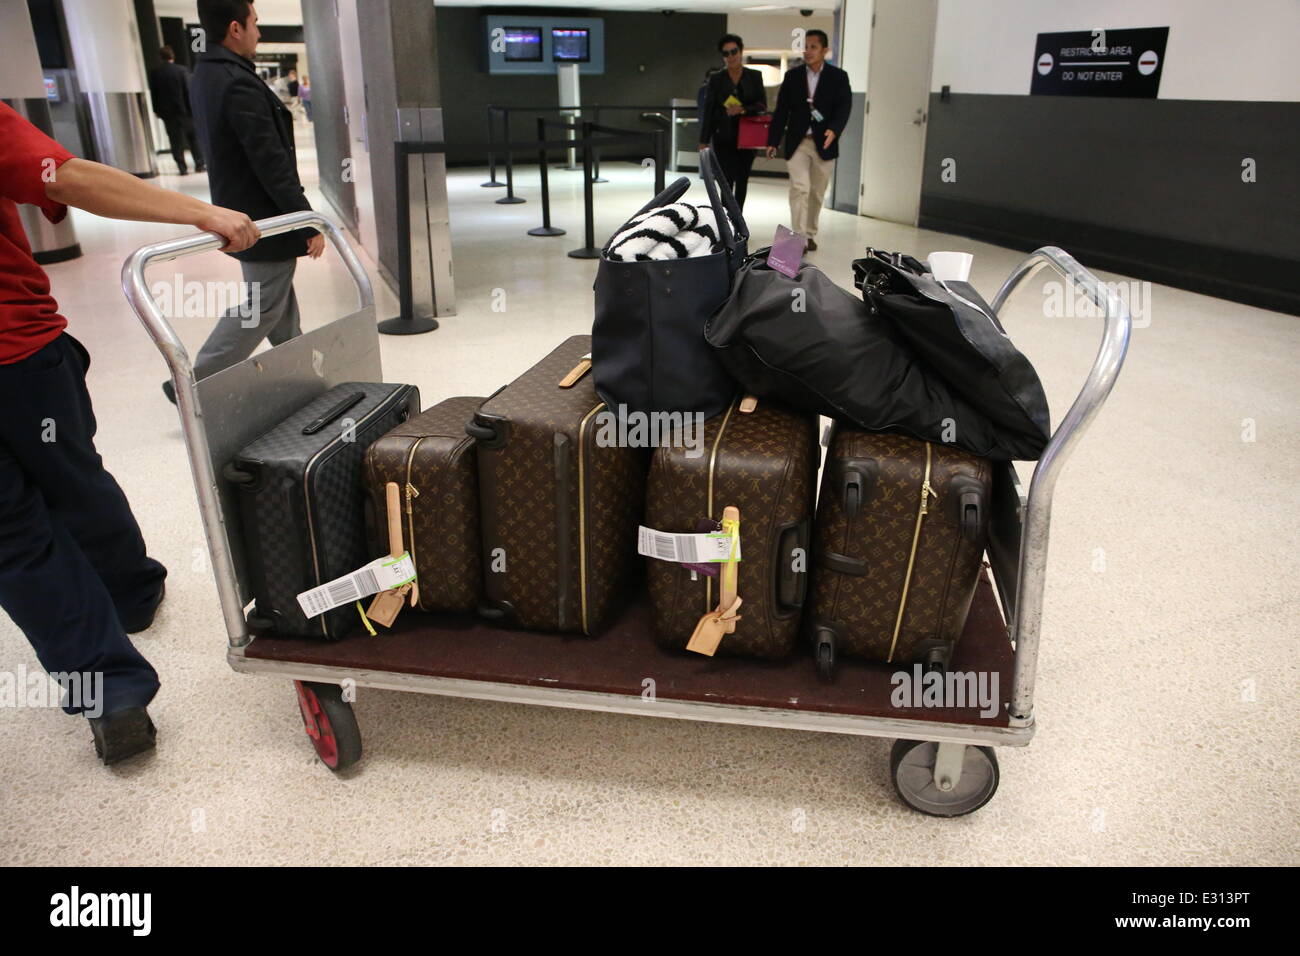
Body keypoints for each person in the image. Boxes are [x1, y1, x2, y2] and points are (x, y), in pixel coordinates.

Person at [0, 101, 259, 764]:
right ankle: (132, 593)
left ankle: (109, 694)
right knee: (73, 480)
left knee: (15, 546)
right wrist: (201, 211)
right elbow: (62, 176)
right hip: (18, 356)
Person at [172, 0, 324, 404]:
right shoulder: (235, 81)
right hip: (262, 218)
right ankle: (193, 382)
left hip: (241, 209)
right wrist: (307, 221)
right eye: (256, 23)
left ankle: (302, 374)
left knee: (278, 306)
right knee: (261, 307)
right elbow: (269, 161)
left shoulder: (206, 75)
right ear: (236, 28)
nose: (259, 31)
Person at [765, 29, 851, 251]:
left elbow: (844, 107)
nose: (808, 51)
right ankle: (798, 237)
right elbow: (781, 110)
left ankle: (810, 233)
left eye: (813, 47)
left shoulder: (838, 77)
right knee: (799, 188)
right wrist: (773, 140)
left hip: (824, 142)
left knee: (816, 192)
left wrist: (834, 129)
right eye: (806, 46)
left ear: (824, 50)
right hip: (798, 141)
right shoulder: (792, 77)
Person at [698, 34, 767, 210]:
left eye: (734, 52)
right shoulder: (717, 78)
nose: (731, 56)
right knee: (726, 180)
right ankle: (727, 222)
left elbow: (762, 104)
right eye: (726, 53)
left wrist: (743, 109)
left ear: (741, 52)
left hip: (747, 137)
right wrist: (703, 140)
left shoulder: (754, 76)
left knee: (742, 179)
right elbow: (709, 109)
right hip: (723, 136)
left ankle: (738, 221)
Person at [147, 45, 205, 175]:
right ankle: (199, 163)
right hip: (185, 112)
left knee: (175, 140)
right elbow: (188, 91)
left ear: (160, 57)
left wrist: (157, 110)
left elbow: (154, 94)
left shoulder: (155, 73)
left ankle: (182, 167)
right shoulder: (182, 70)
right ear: (172, 56)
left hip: (168, 114)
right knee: (193, 138)